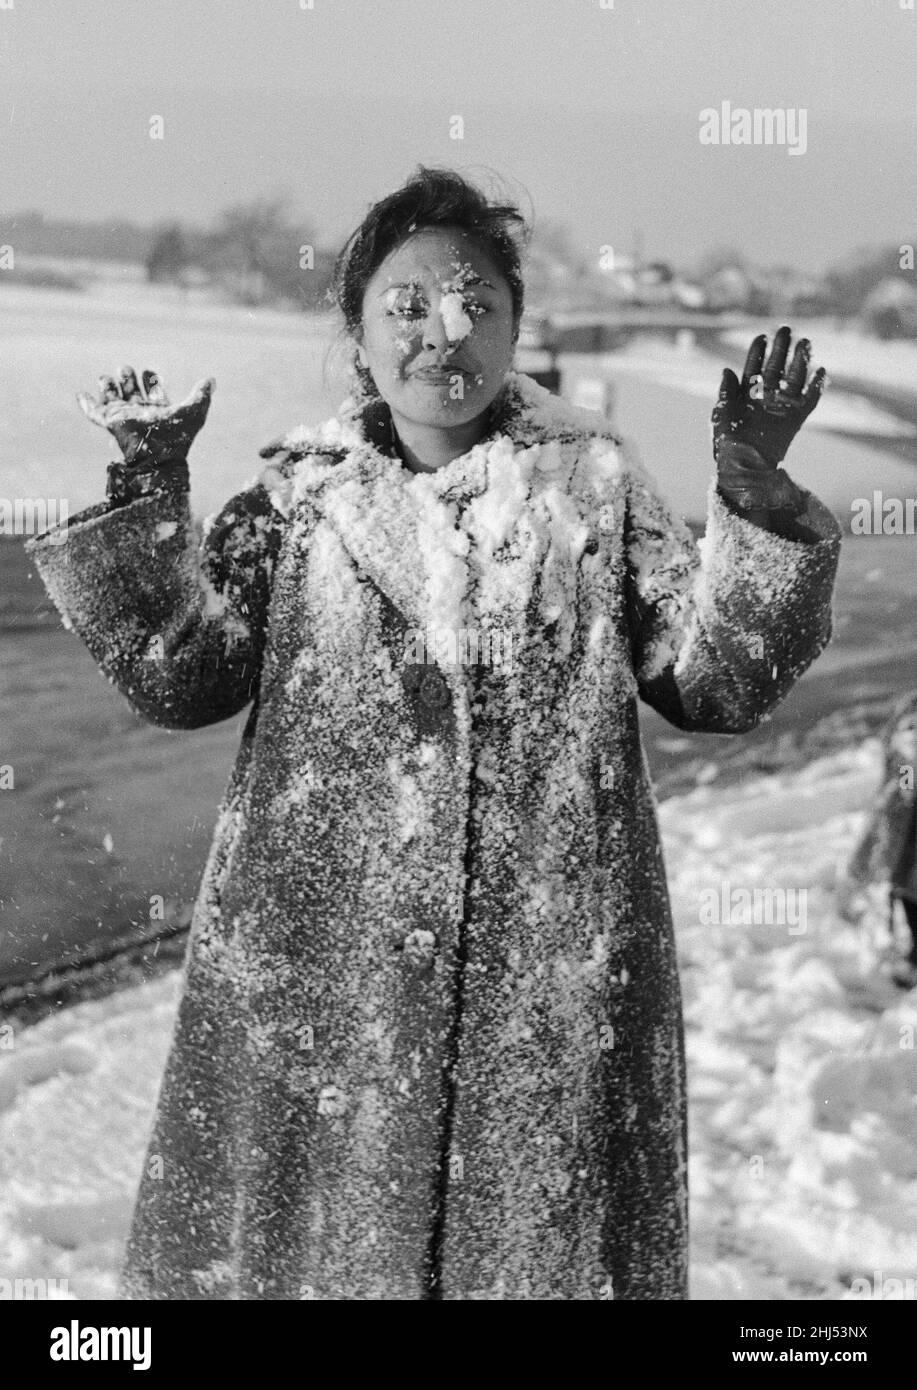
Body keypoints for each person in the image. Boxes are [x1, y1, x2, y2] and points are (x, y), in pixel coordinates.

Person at [27, 166, 841, 1300]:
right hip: (320, 997)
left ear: (515, 323)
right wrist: (147, 490)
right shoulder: (296, 502)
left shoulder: (596, 489)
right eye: (405, 306)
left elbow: (712, 683)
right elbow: (183, 672)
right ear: (355, 333)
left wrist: (753, 504)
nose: (441, 332)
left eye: (474, 303)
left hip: (545, 991)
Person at [839, 692, 917, 988]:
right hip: (901, 837)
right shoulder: (909, 707)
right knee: (902, 891)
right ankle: (908, 955)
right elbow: (901, 782)